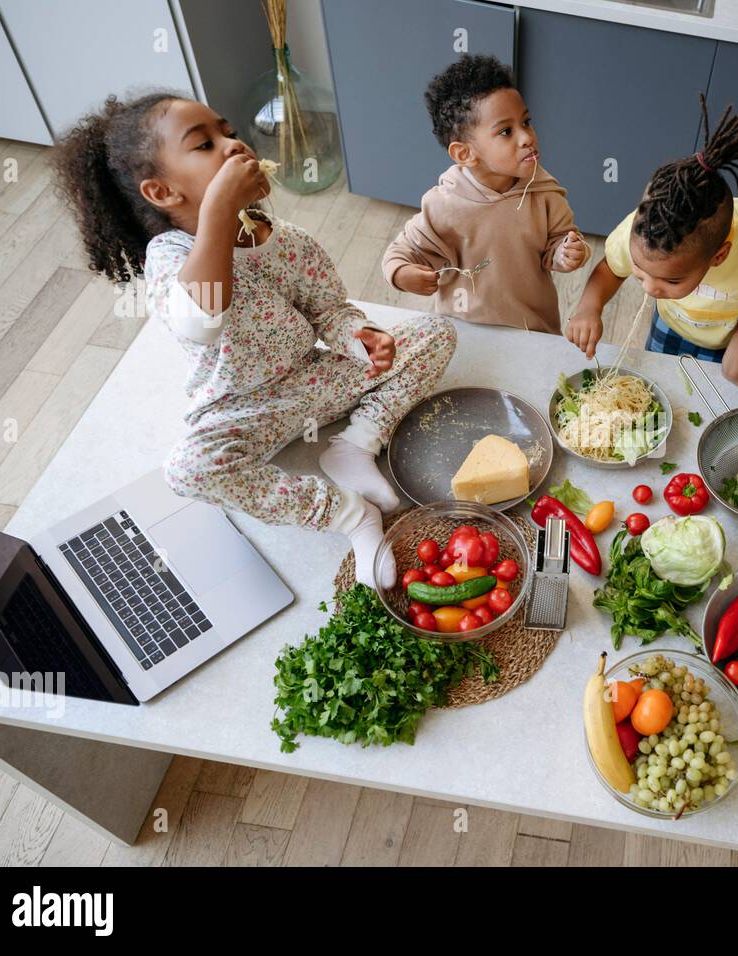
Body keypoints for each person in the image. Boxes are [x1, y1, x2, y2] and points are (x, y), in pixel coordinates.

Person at [52, 93, 456, 589]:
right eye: (205, 144)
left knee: (437, 332)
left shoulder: (285, 238)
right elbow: (202, 321)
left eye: (228, 131)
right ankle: (350, 515)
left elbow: (329, 309)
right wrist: (220, 209)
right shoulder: (170, 254)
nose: (233, 145)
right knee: (188, 470)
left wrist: (358, 336)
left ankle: (354, 447)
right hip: (239, 408)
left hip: (311, 380)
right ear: (162, 192)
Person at [565, 98, 738, 387]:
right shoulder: (644, 229)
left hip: (730, 339)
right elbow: (610, 269)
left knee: (721, 388)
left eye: (672, 281)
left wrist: (737, 358)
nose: (649, 289)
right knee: (660, 385)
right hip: (671, 325)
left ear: (720, 256)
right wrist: (589, 307)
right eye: (639, 271)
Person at [382, 54, 587, 332]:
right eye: (506, 131)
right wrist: (401, 274)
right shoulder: (444, 205)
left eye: (526, 122)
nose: (526, 137)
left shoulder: (545, 194)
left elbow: (558, 244)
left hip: (534, 329)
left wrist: (566, 252)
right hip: (464, 330)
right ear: (465, 153)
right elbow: (401, 252)